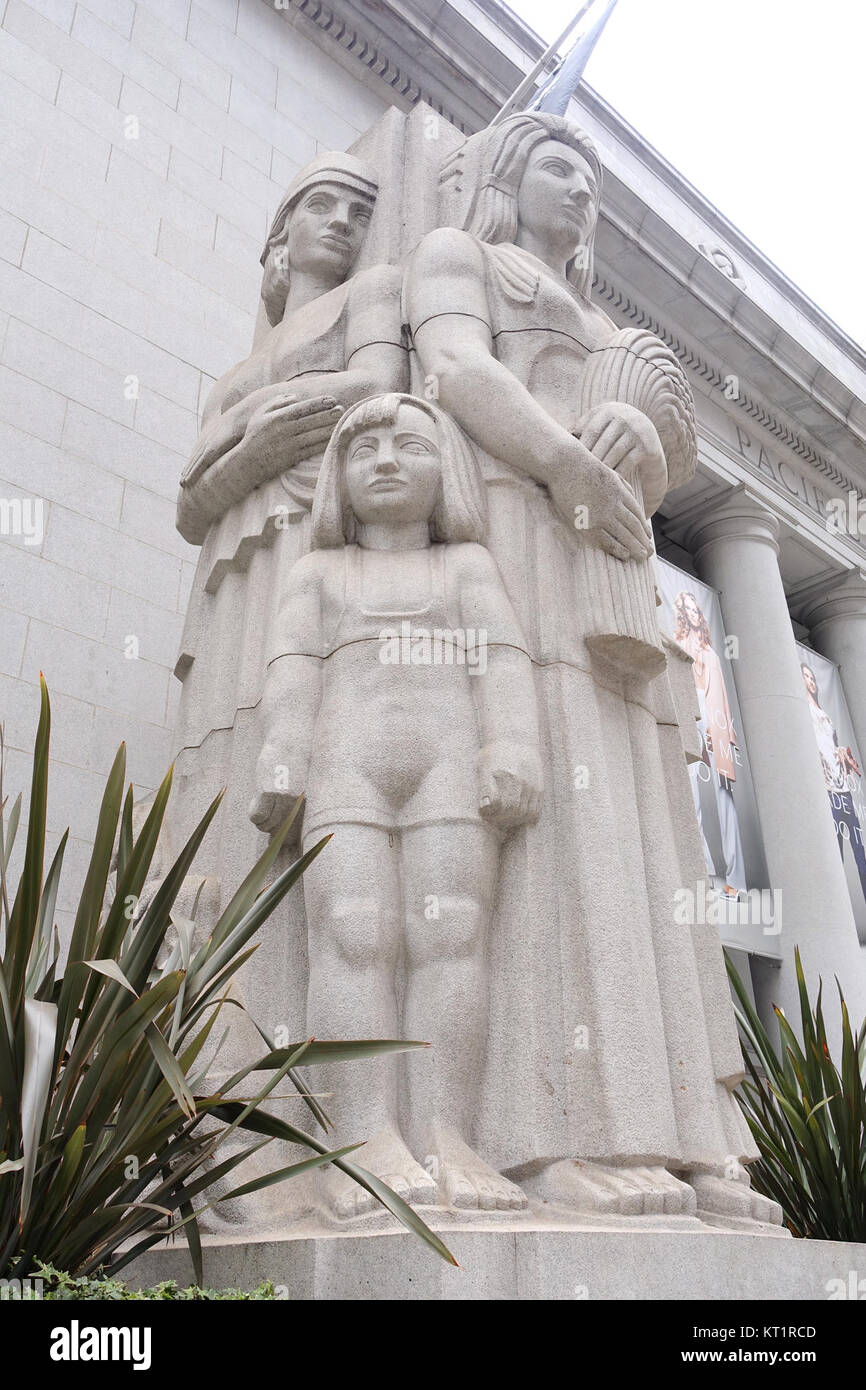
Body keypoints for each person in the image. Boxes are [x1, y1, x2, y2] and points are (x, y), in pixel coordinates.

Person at [403, 112, 777, 1225]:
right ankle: (546, 1133)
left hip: (612, 571)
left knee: (638, 836)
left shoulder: (607, 320)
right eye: (559, 165)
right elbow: (457, 366)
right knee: (554, 824)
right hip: (522, 534)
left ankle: (675, 1135)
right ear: (510, 176)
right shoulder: (459, 256)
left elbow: (663, 452)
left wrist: (633, 444)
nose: (581, 189)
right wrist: (568, 459)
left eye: (592, 176)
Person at [251, 393, 542, 1216]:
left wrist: (511, 746)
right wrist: (283, 755)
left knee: (449, 936)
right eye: (363, 447)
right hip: (347, 766)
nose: (384, 460)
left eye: (408, 444)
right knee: (351, 932)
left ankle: (450, 1135)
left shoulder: (467, 568)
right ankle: (362, 1138)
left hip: (449, 767)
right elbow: (293, 669)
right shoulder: (319, 573)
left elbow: (504, 660)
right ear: (337, 477)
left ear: (444, 467)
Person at [673, 590, 747, 898]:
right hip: (689, 718)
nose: (692, 612)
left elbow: (722, 700)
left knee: (724, 800)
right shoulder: (679, 645)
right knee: (690, 796)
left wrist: (728, 736)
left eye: (695, 608)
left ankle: (736, 880)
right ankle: (698, 872)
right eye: (687, 608)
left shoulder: (712, 653)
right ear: (682, 613)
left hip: (714, 723)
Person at [801, 662, 866, 904]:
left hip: (844, 789)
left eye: (813, 677)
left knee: (860, 852)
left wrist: (843, 754)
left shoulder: (825, 714)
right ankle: (837, 907)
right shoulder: (802, 710)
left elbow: (832, 744)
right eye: (806, 677)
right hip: (826, 789)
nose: (811, 681)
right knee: (834, 852)